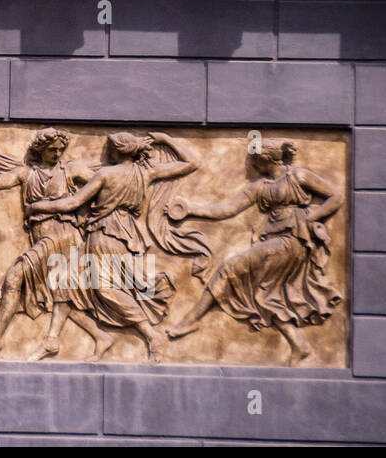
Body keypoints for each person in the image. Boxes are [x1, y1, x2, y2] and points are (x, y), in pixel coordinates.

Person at [165, 139, 343, 364]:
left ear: (265, 159)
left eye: (254, 159)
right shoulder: (261, 186)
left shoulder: (299, 176)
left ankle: (189, 320)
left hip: (293, 241)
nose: (251, 163)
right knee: (266, 295)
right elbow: (227, 209)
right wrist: (191, 210)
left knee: (231, 267)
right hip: (276, 241)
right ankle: (300, 345)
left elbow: (336, 196)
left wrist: (311, 217)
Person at [27, 132, 200, 363]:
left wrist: (37, 207)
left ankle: (151, 335)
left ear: (117, 150)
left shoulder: (105, 175)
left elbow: (72, 203)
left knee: (104, 288)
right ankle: (54, 339)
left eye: (109, 147)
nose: (105, 151)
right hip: (127, 235)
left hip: (105, 234)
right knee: (65, 280)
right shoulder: (145, 172)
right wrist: (166, 139)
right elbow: (192, 163)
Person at [0, 128, 112, 361]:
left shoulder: (71, 170)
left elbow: (106, 185)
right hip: (43, 240)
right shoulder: (26, 174)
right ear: (39, 150)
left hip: (63, 237)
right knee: (61, 296)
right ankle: (100, 336)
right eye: (52, 150)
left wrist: (75, 205)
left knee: (14, 279)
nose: (57, 153)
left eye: (61, 149)